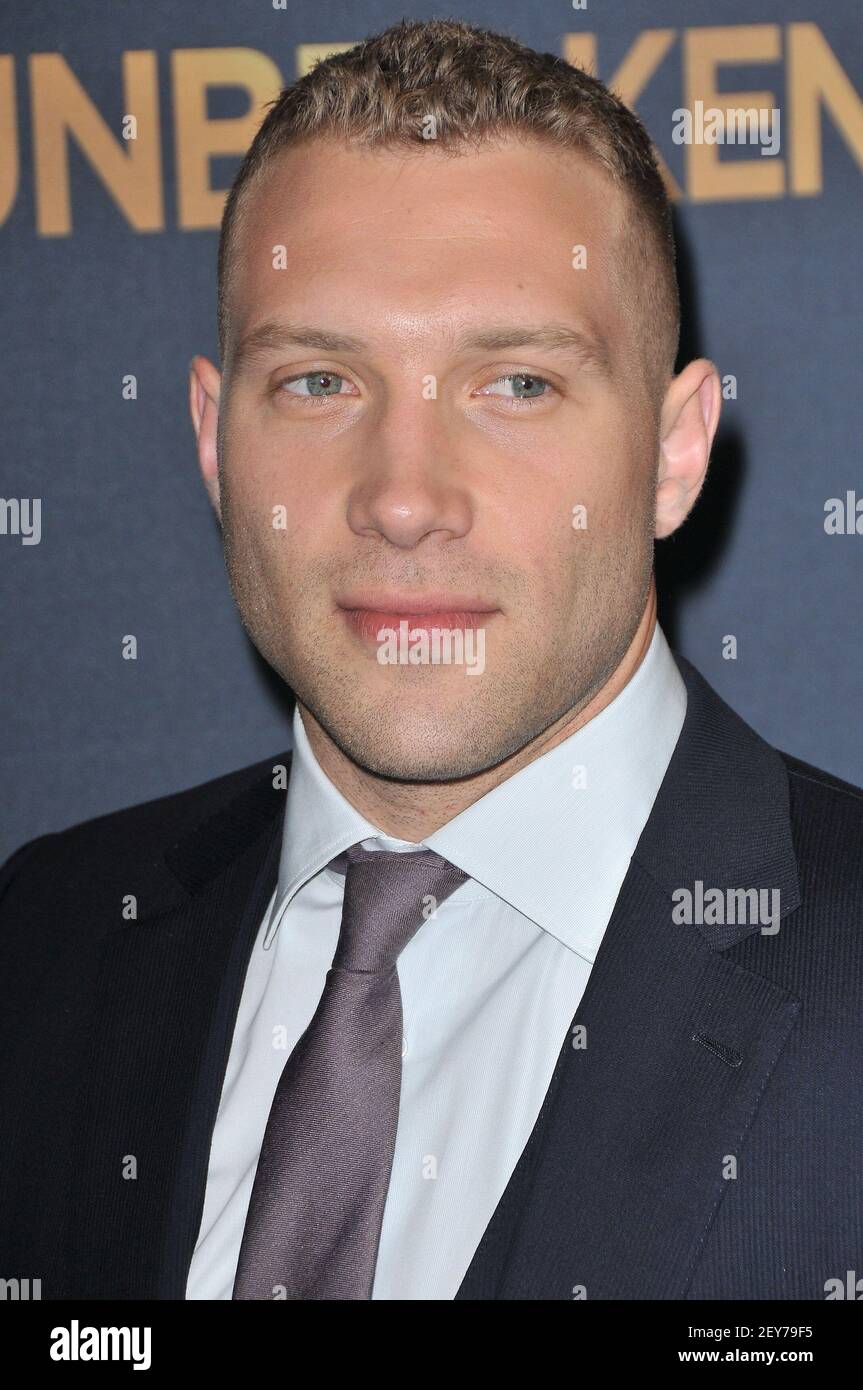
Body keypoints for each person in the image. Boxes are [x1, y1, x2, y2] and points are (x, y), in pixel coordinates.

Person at [1, 17, 861, 1302]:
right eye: (316, 383)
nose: (404, 500)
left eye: (514, 384)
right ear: (211, 439)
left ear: (674, 453)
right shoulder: (47, 941)